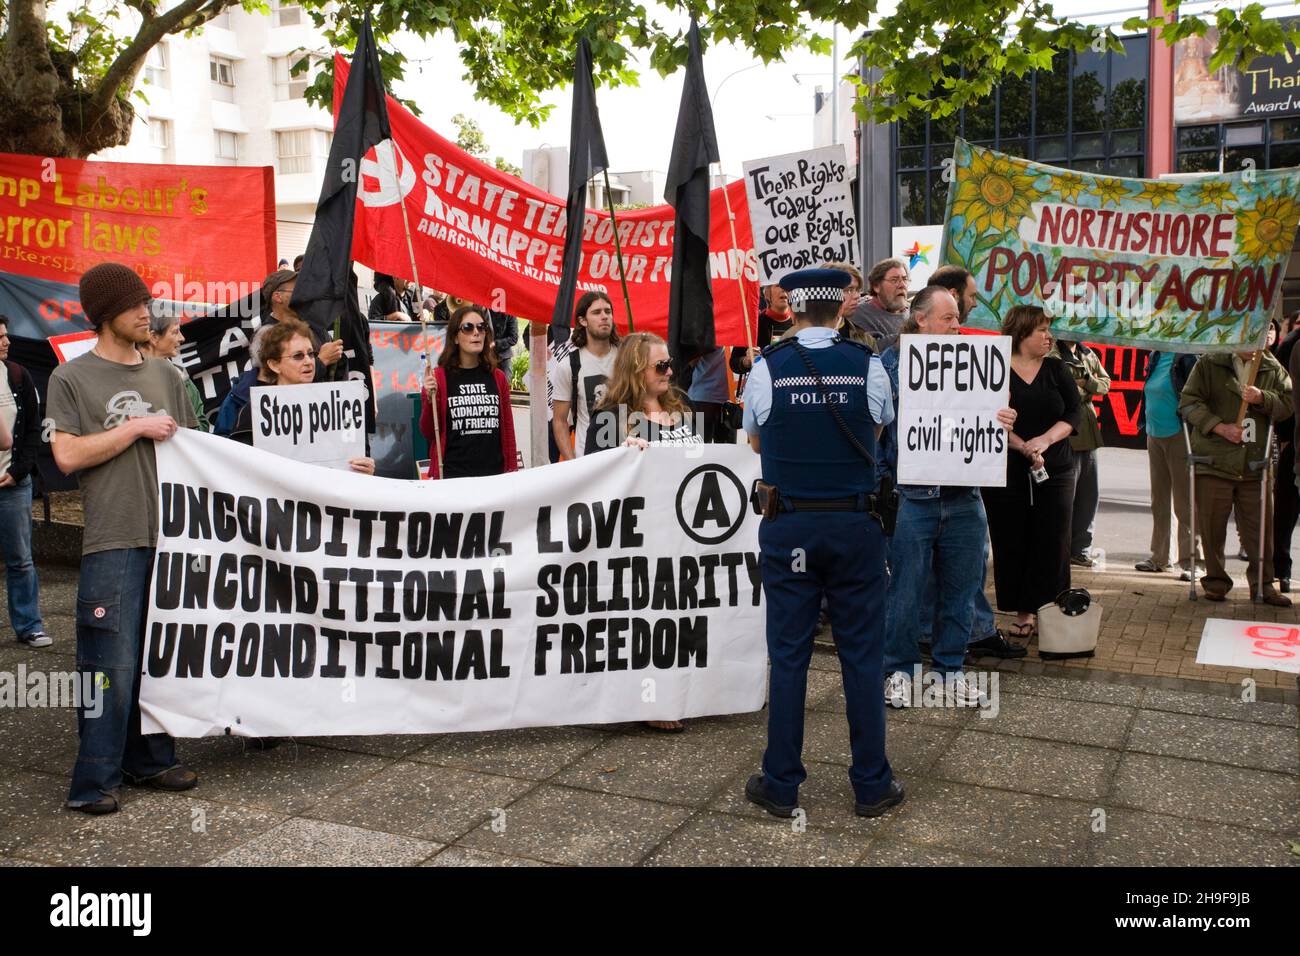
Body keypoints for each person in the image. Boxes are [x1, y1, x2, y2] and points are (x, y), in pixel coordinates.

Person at [741, 267, 904, 820]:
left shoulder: (766, 368)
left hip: (789, 528)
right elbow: (876, 434)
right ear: (841, 308)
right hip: (856, 528)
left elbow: (757, 439)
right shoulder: (868, 366)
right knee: (863, 655)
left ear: (795, 308)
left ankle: (782, 785)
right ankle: (872, 785)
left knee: (788, 657)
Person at [46, 262, 200, 815]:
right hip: (114, 538)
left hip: (173, 539)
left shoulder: (166, 376)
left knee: (162, 659)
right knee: (108, 665)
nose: (148, 313)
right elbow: (65, 456)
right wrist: (134, 427)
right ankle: (93, 782)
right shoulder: (71, 379)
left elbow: (199, 452)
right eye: (137, 305)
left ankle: (150, 759)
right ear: (106, 314)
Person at [879, 287, 1018, 707]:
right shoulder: (891, 364)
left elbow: (981, 421)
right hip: (912, 498)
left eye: (957, 318)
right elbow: (877, 431)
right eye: (949, 318)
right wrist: (884, 488)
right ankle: (898, 672)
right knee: (905, 592)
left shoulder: (974, 362)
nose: (958, 325)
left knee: (962, 590)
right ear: (920, 319)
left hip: (963, 496)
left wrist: (1003, 417)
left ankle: (949, 672)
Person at [981, 305, 1081, 638]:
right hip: (1006, 467)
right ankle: (1023, 610)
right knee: (1012, 536)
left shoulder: (1056, 369)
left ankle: (1052, 609)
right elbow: (984, 416)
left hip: (1056, 467)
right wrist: (1023, 446)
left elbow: (1074, 413)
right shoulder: (994, 368)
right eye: (1042, 330)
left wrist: (1044, 441)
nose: (1049, 336)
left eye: (1049, 329)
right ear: (1022, 332)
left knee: (1054, 539)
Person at [1178, 348, 1293, 605]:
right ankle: (1216, 581)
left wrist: (1262, 397)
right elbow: (1188, 403)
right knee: (1212, 527)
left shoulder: (1271, 366)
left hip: (1254, 462)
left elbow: (1288, 403)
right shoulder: (1210, 362)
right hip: (1214, 459)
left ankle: (1263, 584)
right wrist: (1219, 428)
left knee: (1260, 530)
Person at [228, 319, 376, 473]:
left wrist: (366, 469)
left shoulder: (338, 405)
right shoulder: (256, 411)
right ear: (274, 365)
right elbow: (239, 471)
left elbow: (354, 451)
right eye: (298, 356)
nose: (309, 362)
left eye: (311, 354)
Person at [214, 269, 343, 435]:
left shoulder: (314, 328)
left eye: (310, 354)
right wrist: (321, 361)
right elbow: (271, 382)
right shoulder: (265, 335)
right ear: (278, 296)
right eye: (297, 355)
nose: (303, 293)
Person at [420, 305, 518, 479]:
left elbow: (508, 431)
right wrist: (429, 400)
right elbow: (428, 432)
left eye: (482, 327)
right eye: (468, 328)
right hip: (453, 479)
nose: (476, 332)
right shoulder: (438, 378)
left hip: (494, 480)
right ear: (455, 338)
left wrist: (512, 473)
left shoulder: (498, 378)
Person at [0, 315, 48, 648]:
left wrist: (18, 470)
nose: (6, 341)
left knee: (20, 558)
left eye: (6, 335)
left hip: (13, 487)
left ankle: (29, 625)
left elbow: (33, 430)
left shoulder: (17, 376)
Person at [1136, 350, 1200, 578]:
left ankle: (1193, 563)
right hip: (1155, 433)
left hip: (1179, 434)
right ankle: (1161, 557)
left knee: (1185, 502)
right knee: (1159, 500)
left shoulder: (1186, 357)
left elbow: (1195, 397)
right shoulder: (1155, 356)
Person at [585, 332, 701, 454]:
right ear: (636, 370)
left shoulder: (682, 401)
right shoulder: (608, 420)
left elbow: (703, 457)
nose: (670, 372)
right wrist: (624, 456)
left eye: (669, 363)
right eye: (662, 366)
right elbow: (593, 470)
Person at [1053, 337, 1110, 567]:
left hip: (1088, 433)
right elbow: (1066, 391)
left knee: (1089, 496)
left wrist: (1085, 380)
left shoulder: (1088, 353)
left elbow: (1105, 385)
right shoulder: (1053, 354)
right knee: (1066, 497)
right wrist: (1088, 386)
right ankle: (1061, 550)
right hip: (1067, 435)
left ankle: (1081, 549)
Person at [550, 291, 620, 460]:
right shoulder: (569, 365)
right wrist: (573, 463)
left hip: (624, 457)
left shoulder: (626, 357)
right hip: (587, 459)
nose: (604, 316)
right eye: (596, 312)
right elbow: (559, 421)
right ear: (582, 321)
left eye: (608, 311)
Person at [139, 312, 208, 432]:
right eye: (175, 332)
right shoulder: (126, 376)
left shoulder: (182, 378)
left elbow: (201, 424)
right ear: (153, 337)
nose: (182, 338)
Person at [1272, 319, 1300, 591]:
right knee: (1285, 512)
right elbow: (1284, 397)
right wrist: (1283, 438)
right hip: (1293, 443)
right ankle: (1281, 570)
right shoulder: (1292, 345)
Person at [729, 284, 795, 379]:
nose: (784, 289)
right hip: (764, 386)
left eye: (786, 286)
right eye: (778, 285)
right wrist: (746, 361)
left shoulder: (800, 322)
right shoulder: (753, 325)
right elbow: (733, 363)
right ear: (767, 294)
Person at [846, 257, 909, 350]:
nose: (902, 285)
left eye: (905, 279)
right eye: (894, 280)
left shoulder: (915, 313)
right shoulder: (859, 314)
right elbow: (873, 348)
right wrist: (912, 334)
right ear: (876, 286)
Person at [685, 347, 734, 444]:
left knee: (726, 450)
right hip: (703, 398)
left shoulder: (737, 334)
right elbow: (690, 361)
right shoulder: (705, 334)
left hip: (728, 399)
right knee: (700, 448)